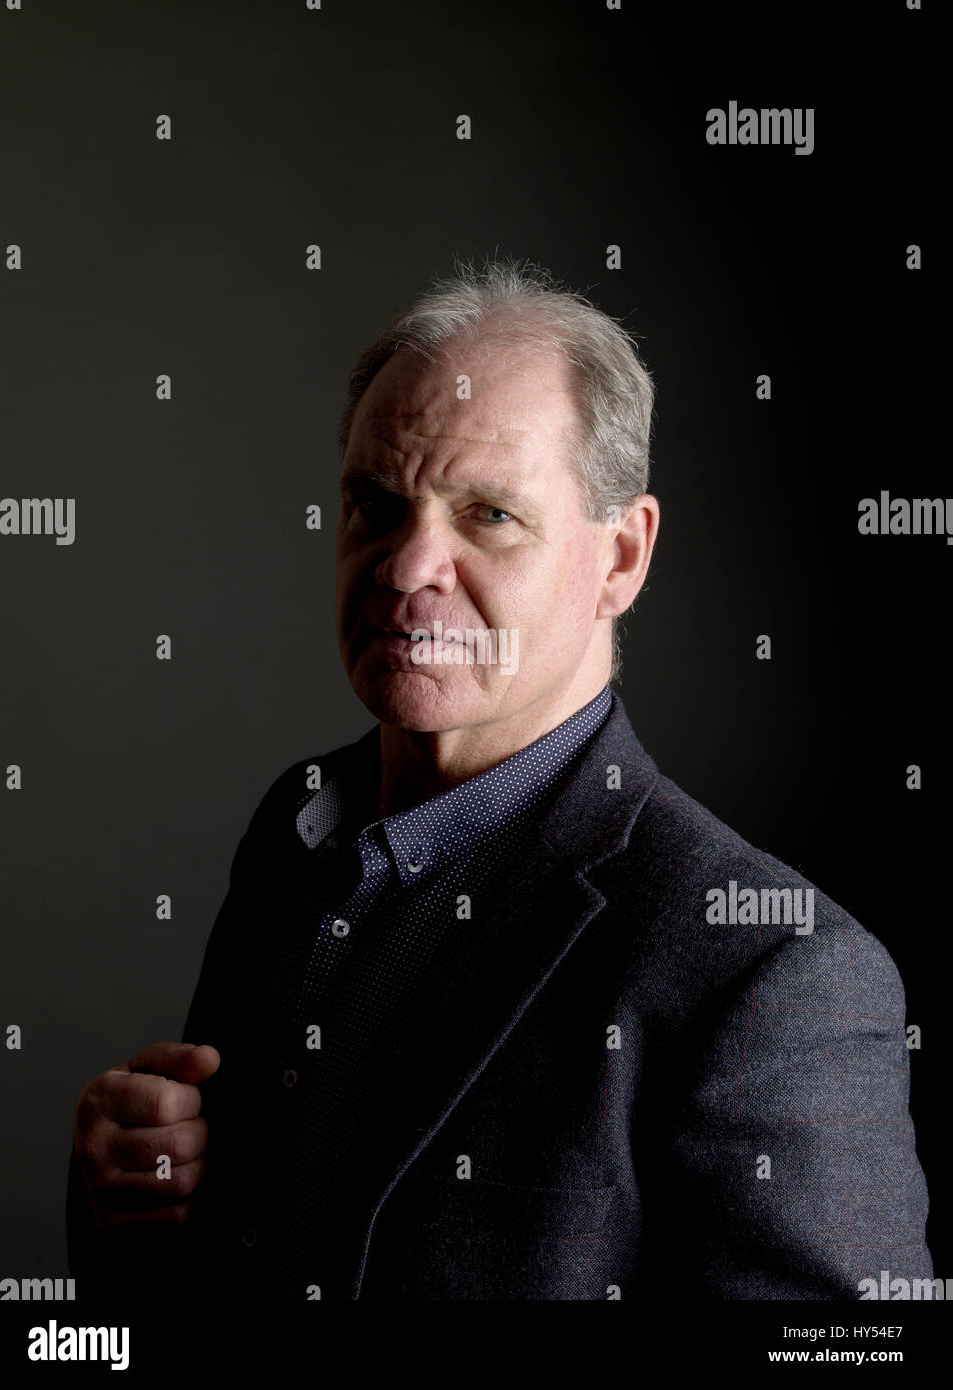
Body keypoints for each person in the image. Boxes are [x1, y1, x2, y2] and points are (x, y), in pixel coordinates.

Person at [67, 260, 932, 1300]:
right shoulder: (295, 829)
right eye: (375, 505)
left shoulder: (768, 973)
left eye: (487, 515)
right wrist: (131, 1210)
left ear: (622, 556)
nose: (402, 566)